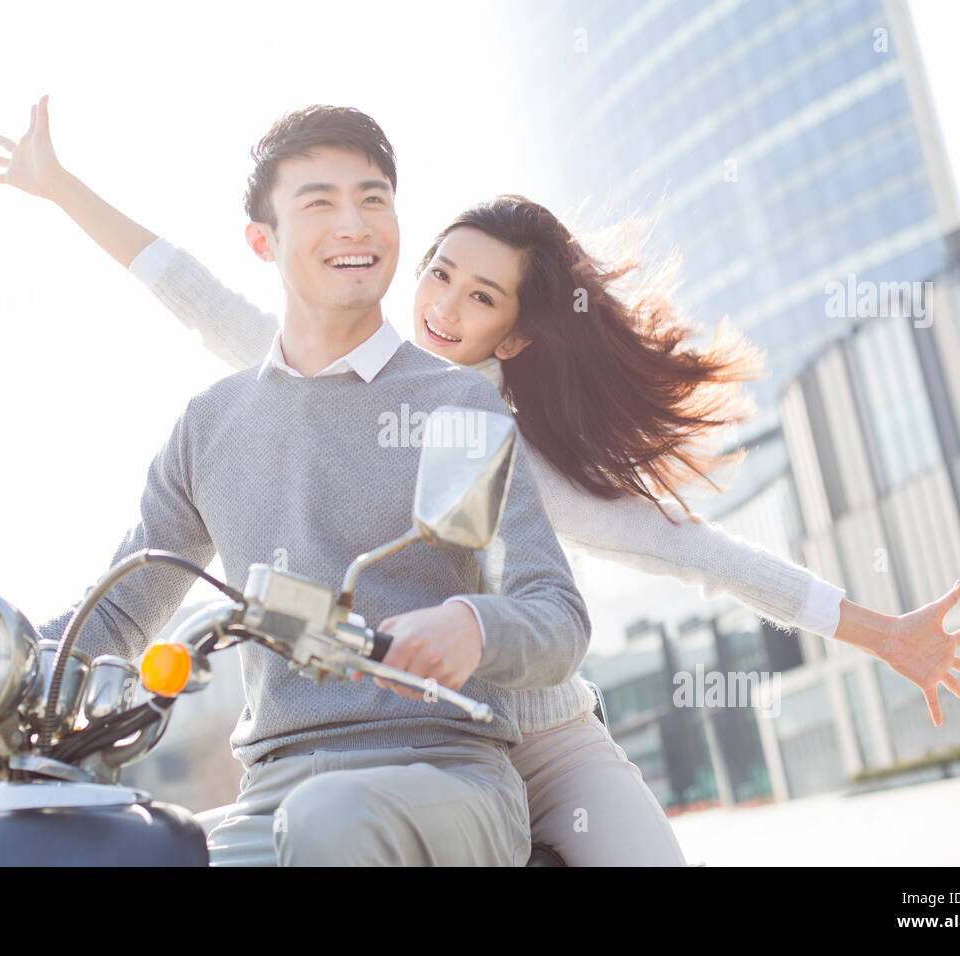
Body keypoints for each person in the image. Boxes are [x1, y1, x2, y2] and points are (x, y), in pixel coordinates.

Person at [0, 95, 960, 867]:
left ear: (516, 328)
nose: (446, 306)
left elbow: (698, 555)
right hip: (334, 757)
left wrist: (881, 629)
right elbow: (186, 287)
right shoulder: (258, 391)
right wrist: (61, 187)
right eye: (440, 273)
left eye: (482, 295)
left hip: (536, 737)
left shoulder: (490, 432)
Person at [29, 105, 593, 866]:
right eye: (319, 202)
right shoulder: (210, 422)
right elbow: (126, 604)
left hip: (445, 776)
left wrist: (473, 625)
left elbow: (555, 616)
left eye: (373, 198)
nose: (355, 224)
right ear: (263, 241)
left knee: (331, 819)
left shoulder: (457, 403)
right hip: (272, 793)